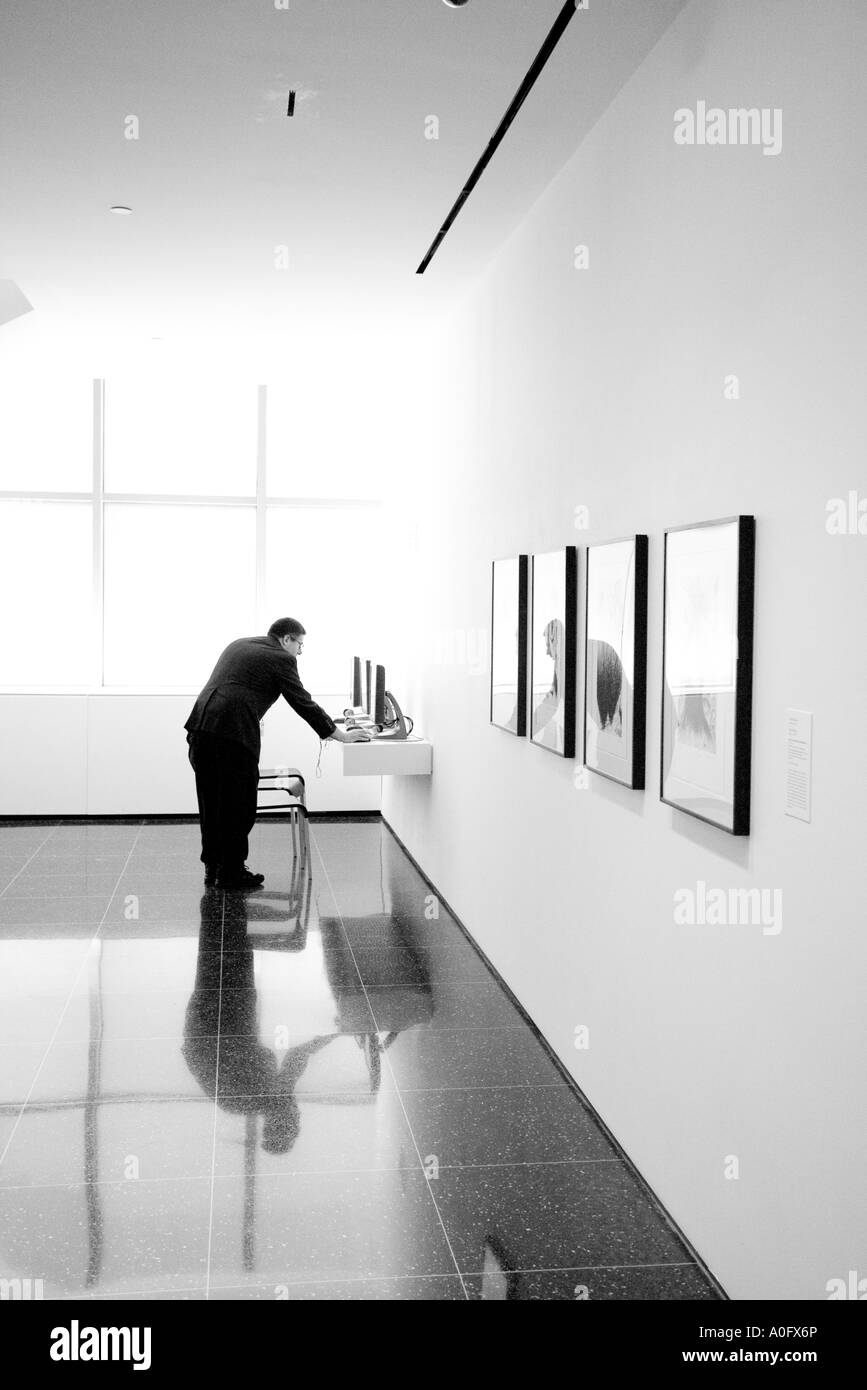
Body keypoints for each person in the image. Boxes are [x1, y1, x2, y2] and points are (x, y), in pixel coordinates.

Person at [184, 617, 368, 890]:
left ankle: (213, 867)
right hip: (232, 736)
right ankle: (232, 872)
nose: (300, 652)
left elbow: (235, 687)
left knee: (211, 802)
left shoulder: (240, 644)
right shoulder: (281, 658)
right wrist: (338, 734)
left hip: (200, 728)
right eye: (300, 645)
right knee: (239, 804)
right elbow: (302, 701)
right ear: (286, 640)